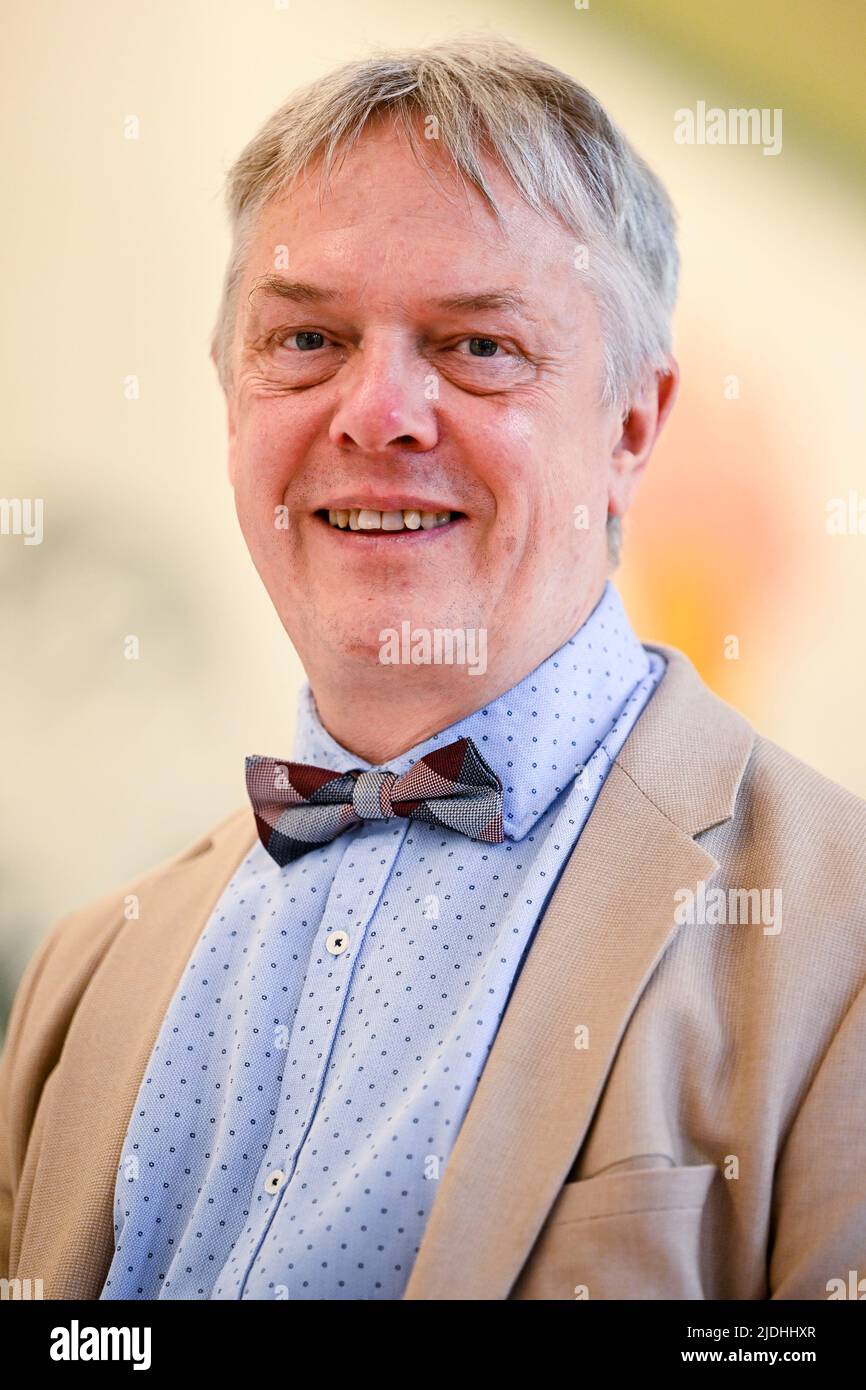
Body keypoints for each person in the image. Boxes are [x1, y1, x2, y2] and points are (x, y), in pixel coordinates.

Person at [2, 35, 864, 1302]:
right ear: (231, 398)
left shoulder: (838, 944)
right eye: (305, 340)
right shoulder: (80, 974)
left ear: (631, 425)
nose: (375, 412)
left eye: (476, 346)